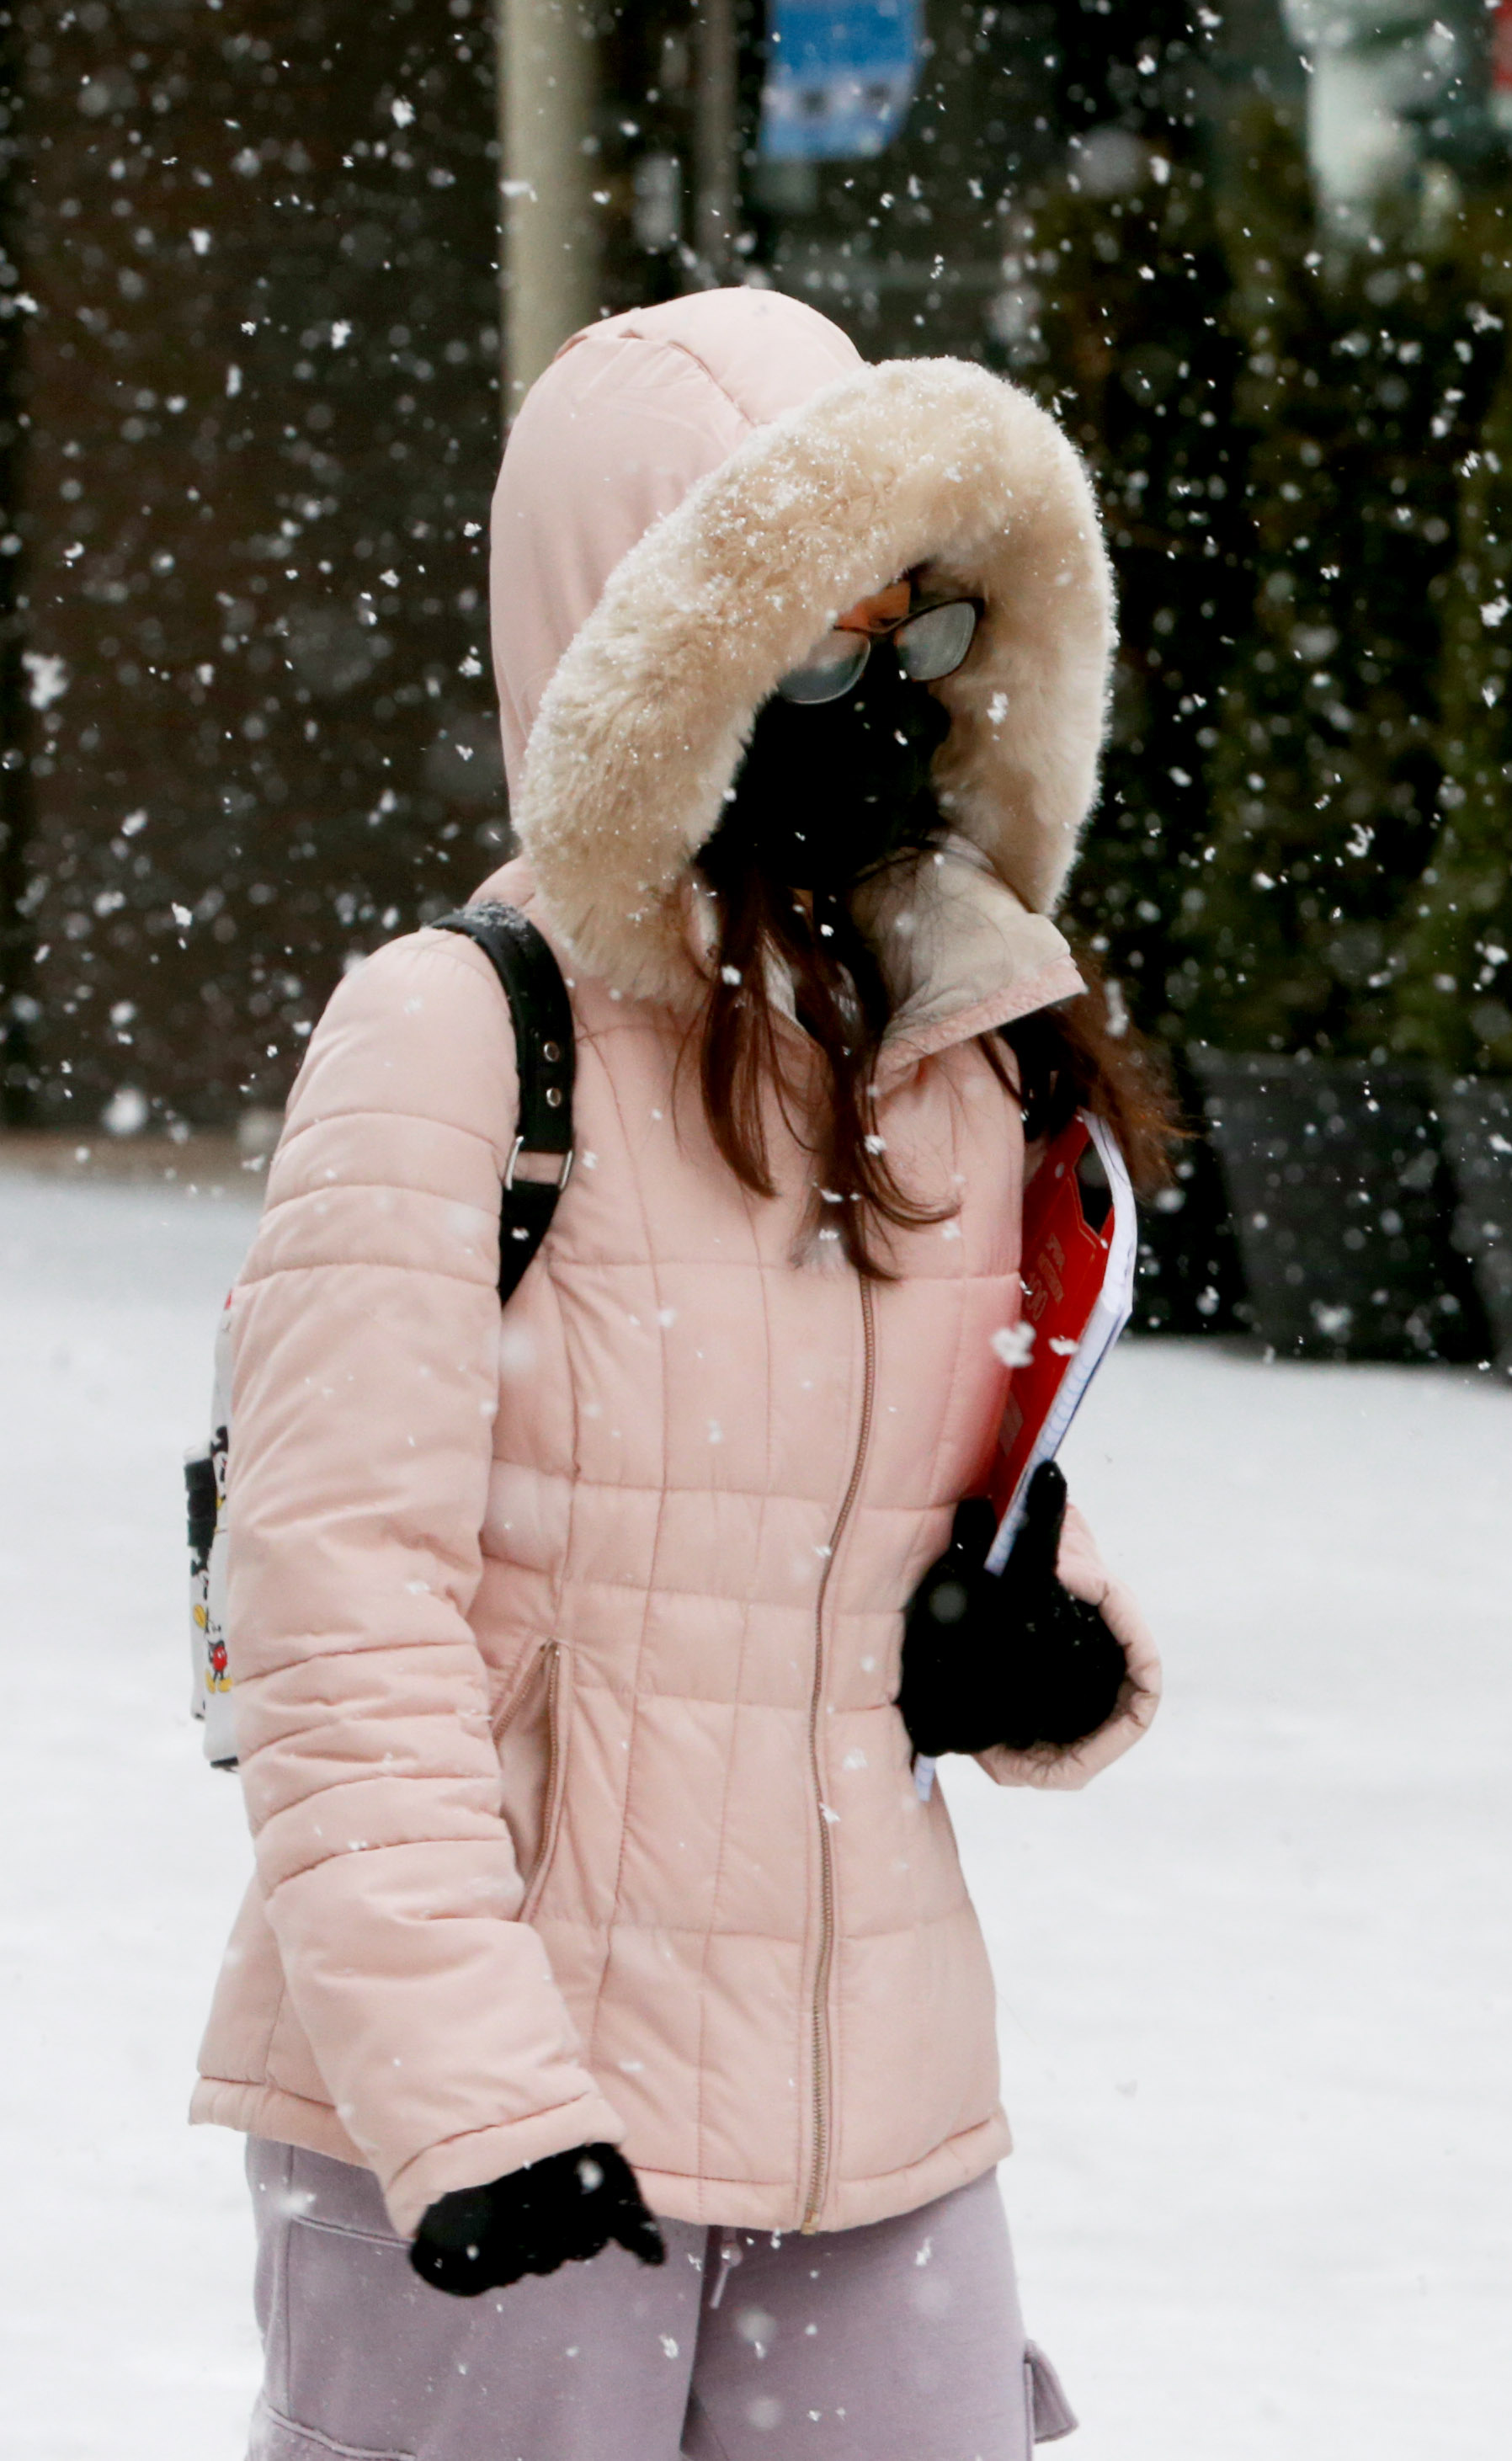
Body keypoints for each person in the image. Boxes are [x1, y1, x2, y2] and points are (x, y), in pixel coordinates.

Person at [189, 290, 1173, 2459]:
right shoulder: (464, 1031)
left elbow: (938, 1470)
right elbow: (335, 1612)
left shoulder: (941, 1033)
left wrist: (1043, 1639)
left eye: (915, 632)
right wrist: (471, 2096)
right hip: (508, 2104)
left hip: (867, 2095)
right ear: (655, 659)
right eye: (814, 647)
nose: (882, 701)